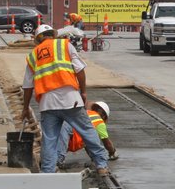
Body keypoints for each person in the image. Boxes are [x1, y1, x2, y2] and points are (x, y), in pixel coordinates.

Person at [20, 24, 109, 174]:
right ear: (52, 35)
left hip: (47, 104)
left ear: (38, 39)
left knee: (49, 140)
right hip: (70, 99)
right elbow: (79, 70)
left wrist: (25, 108)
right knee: (87, 130)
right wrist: (83, 91)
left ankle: (48, 171)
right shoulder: (65, 45)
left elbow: (27, 86)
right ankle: (101, 165)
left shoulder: (33, 55)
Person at [56, 101, 118, 167]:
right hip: (72, 140)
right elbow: (107, 143)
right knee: (91, 138)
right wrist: (112, 152)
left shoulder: (85, 113)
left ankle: (57, 160)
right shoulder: (99, 121)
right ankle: (58, 160)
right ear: (104, 116)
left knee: (89, 137)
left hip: (62, 137)